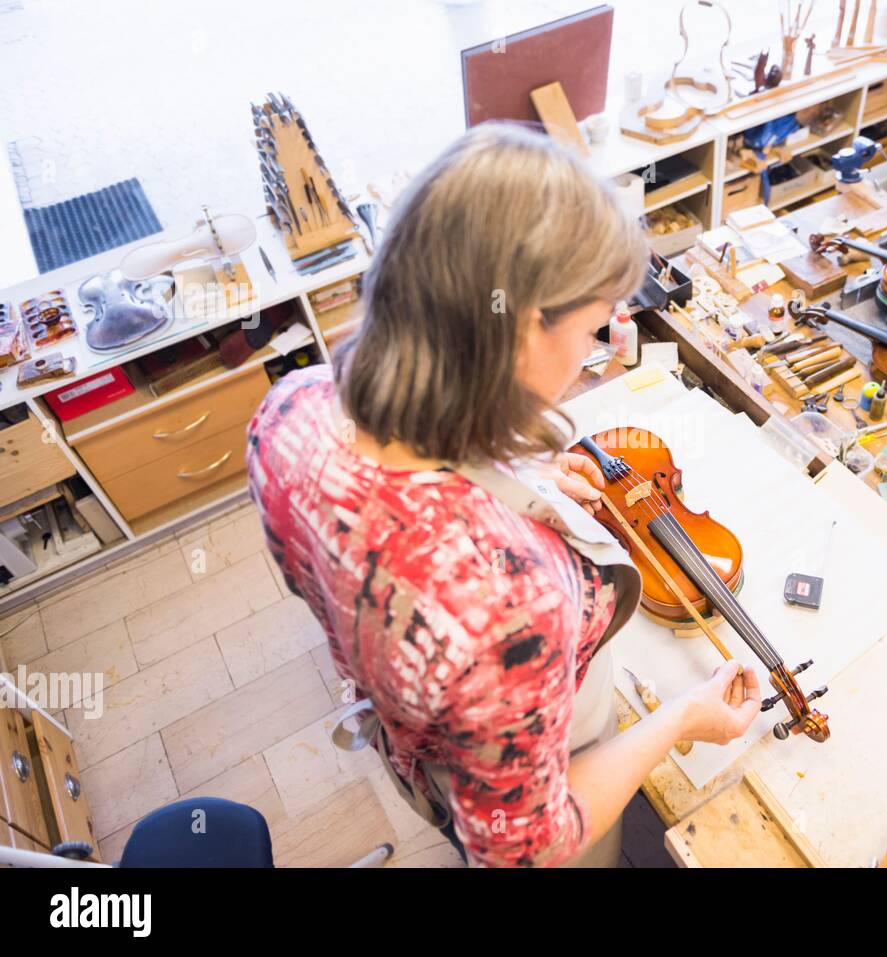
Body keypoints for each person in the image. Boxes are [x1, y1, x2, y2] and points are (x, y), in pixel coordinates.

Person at [246, 124, 761, 867]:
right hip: (543, 774)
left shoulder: (288, 411)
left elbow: (385, 519)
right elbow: (531, 846)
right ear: (522, 333)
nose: (591, 357)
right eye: (591, 330)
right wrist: (682, 717)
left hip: (420, 742)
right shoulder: (505, 603)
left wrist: (520, 483)